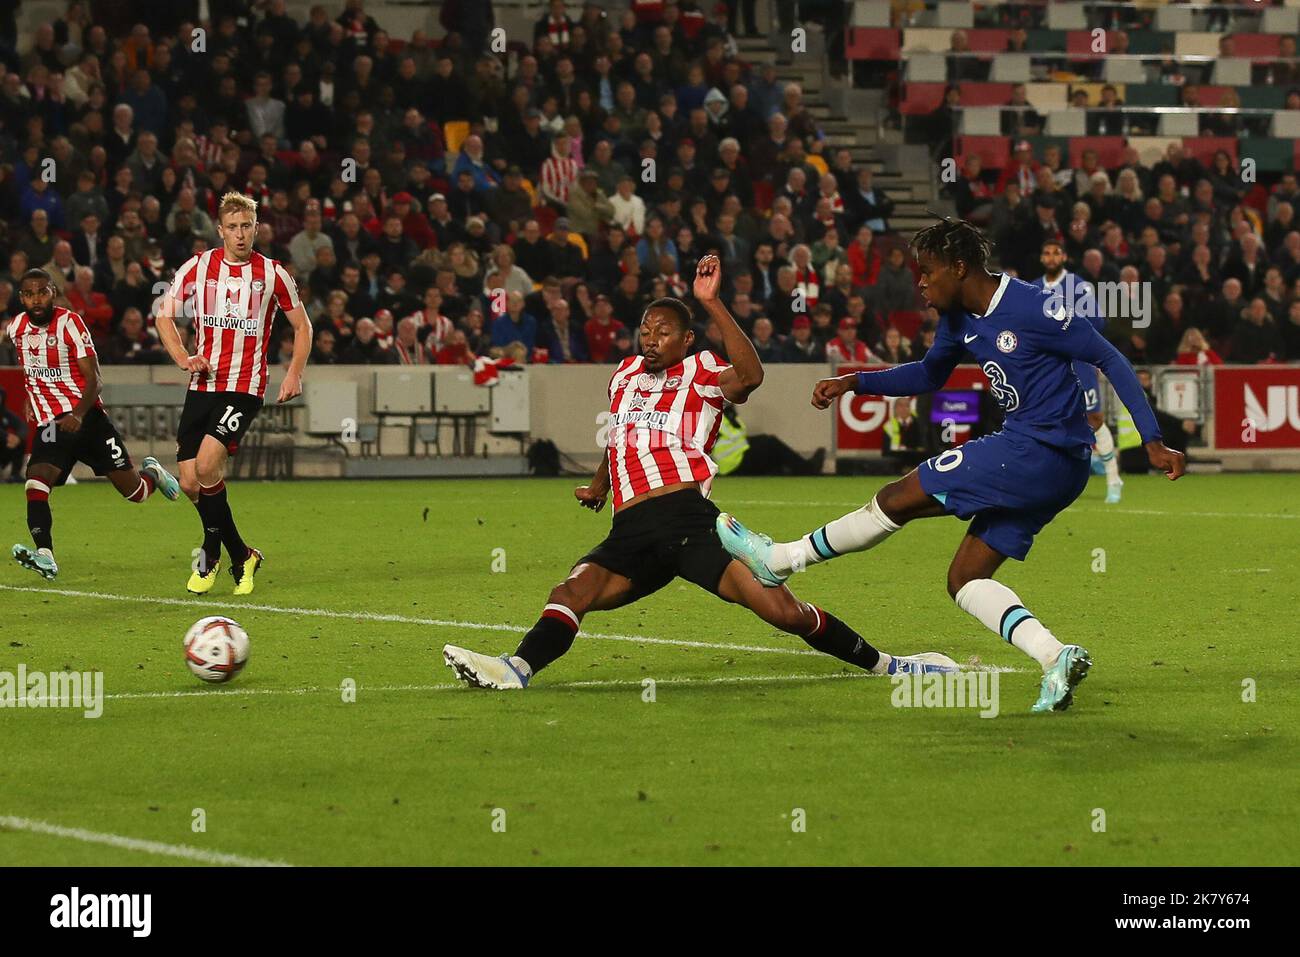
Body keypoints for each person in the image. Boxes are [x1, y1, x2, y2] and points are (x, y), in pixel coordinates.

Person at [715, 220, 1186, 713]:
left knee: (899, 497)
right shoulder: (959, 319)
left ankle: (781, 560)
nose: (920, 283)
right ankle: (1055, 657)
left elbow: (1110, 357)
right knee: (965, 579)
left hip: (1036, 451)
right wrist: (855, 380)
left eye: (928, 272)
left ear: (960, 268)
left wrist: (1152, 441)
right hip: (1052, 468)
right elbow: (928, 374)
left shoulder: (1034, 306)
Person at [442, 254, 957, 690]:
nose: (650, 339)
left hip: (689, 520)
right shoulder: (623, 375)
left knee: (784, 613)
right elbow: (622, 433)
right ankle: (515, 668)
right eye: (645, 331)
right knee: (569, 593)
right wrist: (600, 484)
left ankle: (893, 666)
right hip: (630, 528)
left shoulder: (703, 370)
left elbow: (752, 376)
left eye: (663, 333)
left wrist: (712, 303)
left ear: (686, 339)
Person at [154, 192, 313, 596]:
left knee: (207, 466)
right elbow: (164, 315)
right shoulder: (198, 266)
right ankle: (240, 553)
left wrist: (294, 373)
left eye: (247, 227)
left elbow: (303, 327)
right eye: (233, 227)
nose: (240, 235)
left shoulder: (273, 274)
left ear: (256, 228)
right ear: (220, 230)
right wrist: (183, 357)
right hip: (203, 384)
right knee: (190, 482)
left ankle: (210, 554)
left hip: (244, 386)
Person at [4, 269, 180, 580]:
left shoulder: (70, 323)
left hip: (88, 421)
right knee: (36, 480)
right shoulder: (17, 328)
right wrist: (30, 398)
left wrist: (78, 415)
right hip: (52, 424)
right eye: (29, 294)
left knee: (135, 493)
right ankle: (45, 555)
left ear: (53, 292)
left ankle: (152, 473)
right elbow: (32, 368)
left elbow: (95, 381)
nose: (36, 299)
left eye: (42, 292)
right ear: (21, 298)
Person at [1031, 240, 1125, 504]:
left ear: (1065, 256)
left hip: (1077, 361)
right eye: (1046, 253)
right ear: (1041, 258)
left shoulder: (1078, 286)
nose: (1051, 257)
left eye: (1056, 252)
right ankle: (1049, 480)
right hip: (1047, 365)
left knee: (1094, 418)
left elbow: (1097, 322)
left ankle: (1113, 477)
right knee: (1047, 418)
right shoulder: (1032, 288)